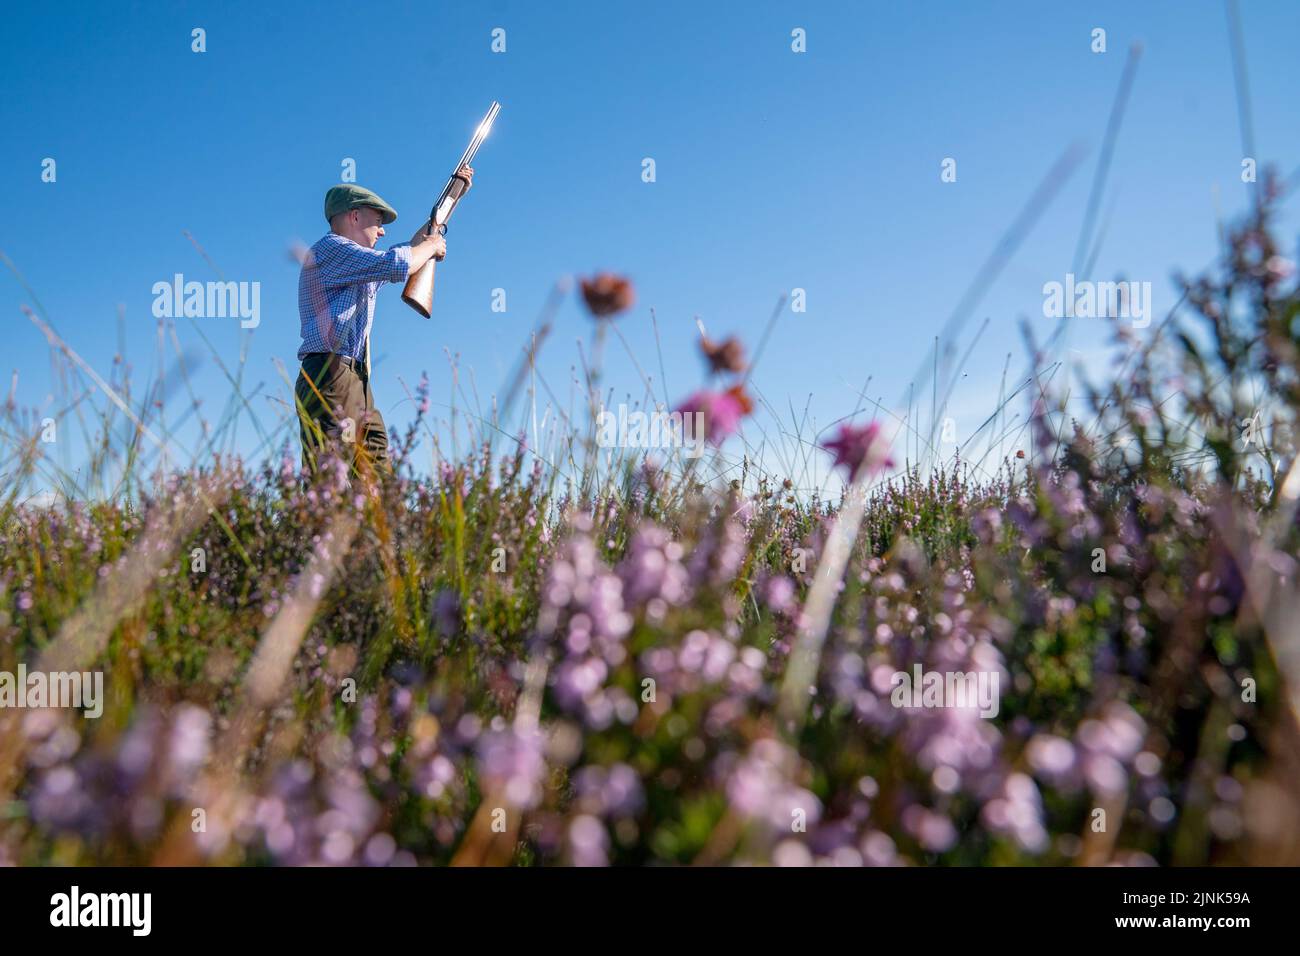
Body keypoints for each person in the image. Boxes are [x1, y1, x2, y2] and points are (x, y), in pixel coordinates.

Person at [294, 170, 472, 479]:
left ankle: (377, 527)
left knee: (374, 462)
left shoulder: (356, 266)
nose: (382, 232)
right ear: (353, 216)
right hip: (331, 375)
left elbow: (407, 251)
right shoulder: (330, 249)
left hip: (354, 379)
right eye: (378, 222)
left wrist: (452, 199)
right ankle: (319, 527)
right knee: (329, 474)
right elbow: (397, 262)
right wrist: (431, 248)